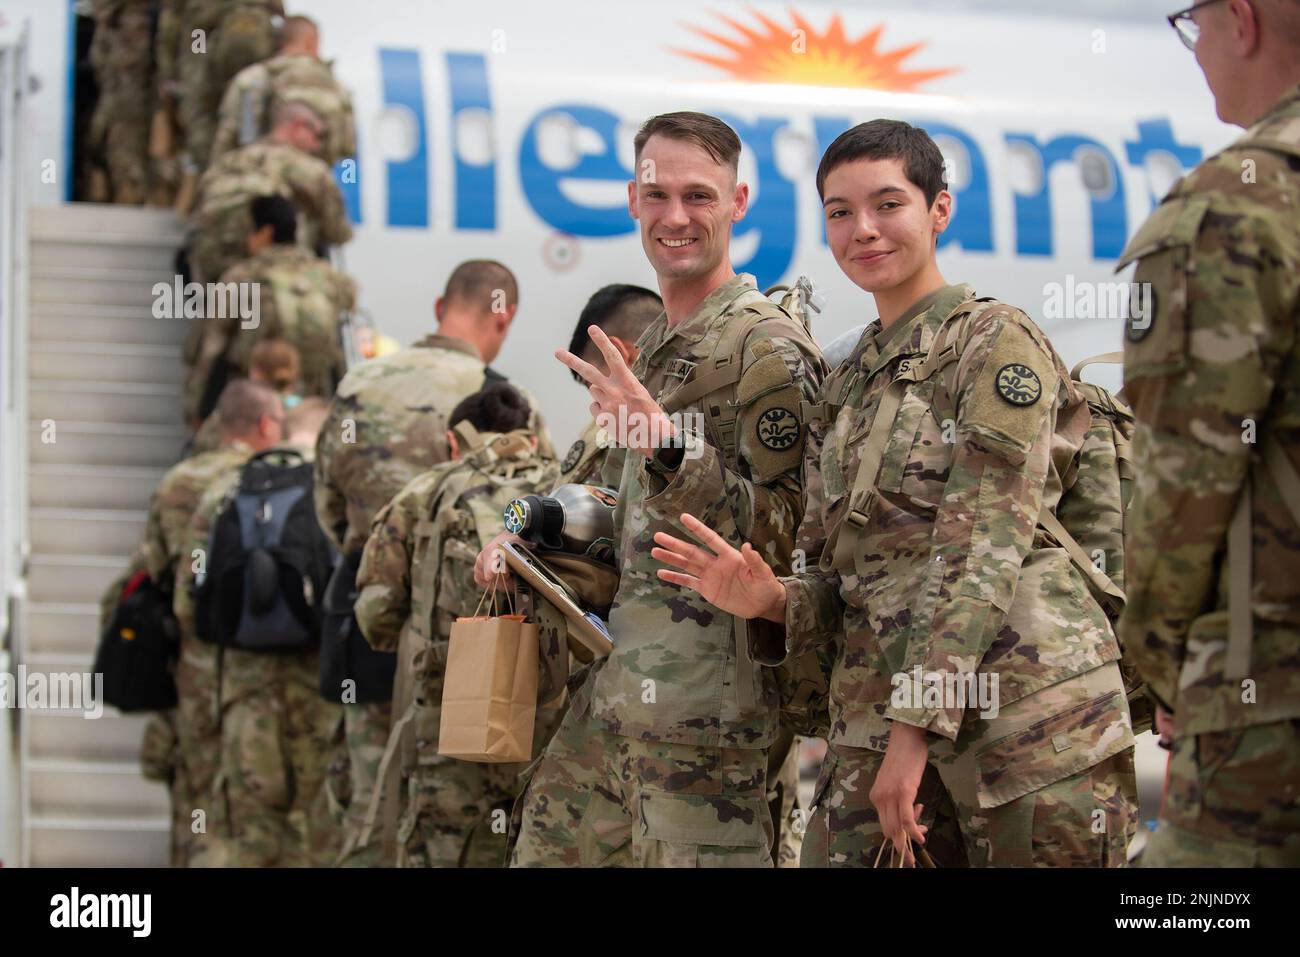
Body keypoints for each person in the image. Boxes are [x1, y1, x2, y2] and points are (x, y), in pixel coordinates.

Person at [653, 119, 1138, 867]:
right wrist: (773, 601)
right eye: (840, 212)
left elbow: (980, 543)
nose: (863, 230)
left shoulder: (992, 340)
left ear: (937, 211)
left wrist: (916, 727)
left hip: (1025, 718)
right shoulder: (848, 378)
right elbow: (846, 568)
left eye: (887, 205)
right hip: (879, 716)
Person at [478, 111, 827, 867]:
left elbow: (797, 538)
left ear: (738, 204)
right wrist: (522, 532)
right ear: (632, 201)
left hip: (708, 719)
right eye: (657, 193)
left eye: (699, 196)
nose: (675, 216)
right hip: (613, 697)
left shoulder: (765, 349)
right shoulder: (658, 348)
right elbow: (610, 503)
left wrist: (670, 447)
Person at [1117, 0, 1300, 867]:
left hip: (1268, 703)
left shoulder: (1236, 205)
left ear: (1243, 20)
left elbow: (1183, 483)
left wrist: (1162, 667)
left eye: (1193, 24)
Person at [315, 259, 554, 866]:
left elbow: (328, 507)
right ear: (504, 315)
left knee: (376, 803)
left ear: (439, 307)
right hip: (484, 652)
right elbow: (543, 514)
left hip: (376, 629)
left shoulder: (357, 385)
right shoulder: (505, 400)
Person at [353, 383, 557, 867]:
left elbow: (376, 617)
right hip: (552, 734)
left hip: (452, 731)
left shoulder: (425, 495)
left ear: (453, 441)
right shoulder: (564, 493)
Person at [184, 398, 343, 867]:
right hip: (317, 686)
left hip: (244, 684)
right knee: (318, 819)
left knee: (248, 822)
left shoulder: (226, 490)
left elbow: (189, 596)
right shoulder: (331, 494)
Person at [169, 378, 286, 866]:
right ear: (265, 425)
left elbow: (173, 591)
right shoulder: (279, 485)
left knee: (200, 794)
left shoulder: (182, 482)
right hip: (274, 673)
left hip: (202, 668)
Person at [186, 194, 356, 420]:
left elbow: (213, 347)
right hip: (313, 407)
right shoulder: (330, 278)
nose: (247, 239)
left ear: (265, 233)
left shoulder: (242, 277)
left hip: (256, 408)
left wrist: (197, 408)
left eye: (250, 231)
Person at [186, 100, 352, 287]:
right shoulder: (312, 171)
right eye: (318, 135)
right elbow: (338, 233)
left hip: (217, 272)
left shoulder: (228, 162)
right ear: (298, 127)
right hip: (278, 284)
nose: (318, 145)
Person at [210, 14, 357, 167]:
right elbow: (347, 146)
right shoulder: (337, 87)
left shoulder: (251, 79)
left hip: (260, 179)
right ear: (312, 42)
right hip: (315, 182)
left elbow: (226, 140)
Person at [555, 284, 662, 486]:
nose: (597, 399)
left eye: (593, 382)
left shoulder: (624, 424)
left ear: (617, 354)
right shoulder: (698, 415)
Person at [85, 0, 154, 205]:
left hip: (134, 102)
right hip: (112, 98)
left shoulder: (139, 17)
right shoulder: (109, 22)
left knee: (130, 163)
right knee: (99, 147)